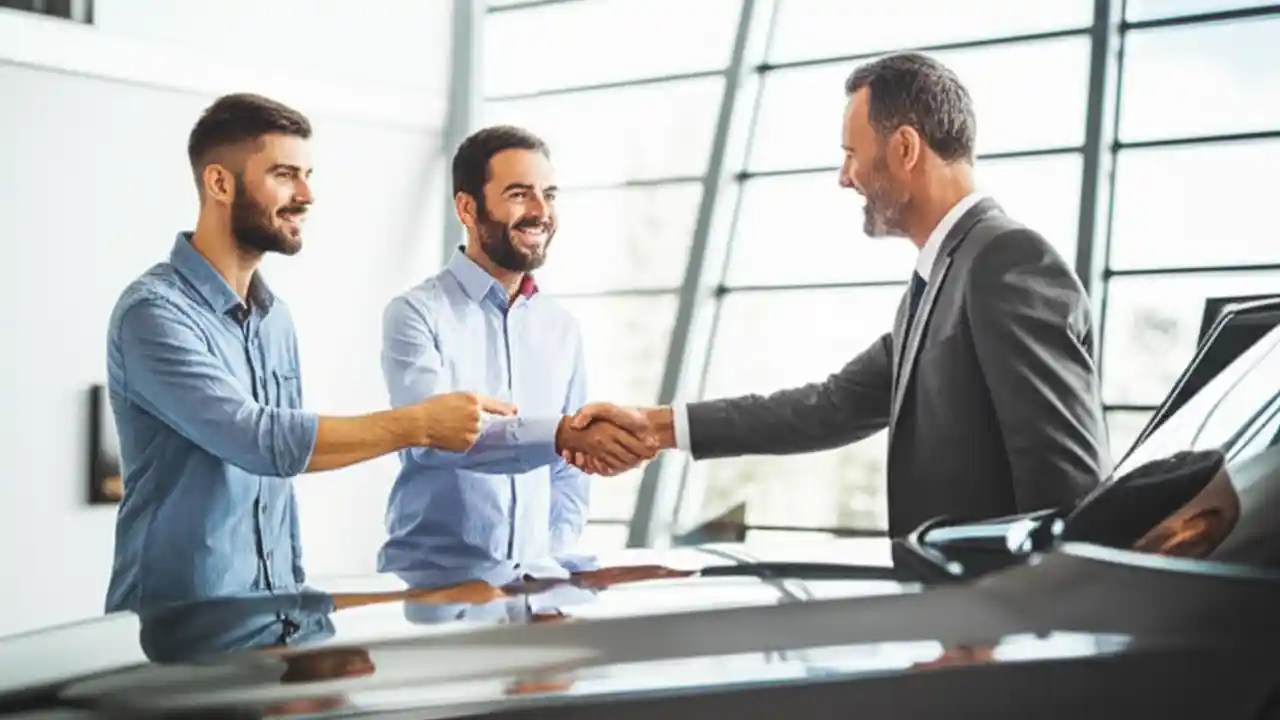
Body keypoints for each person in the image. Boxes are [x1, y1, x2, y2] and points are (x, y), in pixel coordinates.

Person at [569, 53, 1111, 536]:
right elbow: (829, 407)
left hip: (1002, 630)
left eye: (852, 153)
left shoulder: (1005, 262)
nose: (844, 177)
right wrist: (657, 426)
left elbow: (1070, 493)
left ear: (904, 148)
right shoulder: (946, 275)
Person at [105, 93, 514, 614]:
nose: (306, 194)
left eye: (307, 174)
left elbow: (276, 489)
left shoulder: (275, 318)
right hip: (172, 638)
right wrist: (422, 424)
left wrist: (303, 621)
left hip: (265, 629)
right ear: (219, 183)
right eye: (284, 174)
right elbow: (259, 440)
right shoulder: (153, 313)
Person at [378, 125, 656, 584]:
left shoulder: (561, 328)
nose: (541, 212)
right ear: (468, 208)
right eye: (519, 194)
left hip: (534, 587)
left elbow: (572, 472)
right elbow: (437, 440)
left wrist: (552, 557)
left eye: (549, 194)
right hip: (436, 588)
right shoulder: (414, 314)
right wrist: (561, 435)